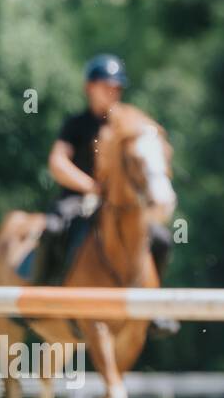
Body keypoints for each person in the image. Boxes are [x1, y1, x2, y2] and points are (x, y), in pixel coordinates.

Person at [32, 54, 173, 292]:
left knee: (161, 239)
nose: (113, 91)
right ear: (89, 87)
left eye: (117, 87)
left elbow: (153, 147)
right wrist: (92, 187)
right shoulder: (76, 124)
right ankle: (40, 294)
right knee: (54, 229)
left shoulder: (130, 122)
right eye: (106, 86)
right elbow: (58, 162)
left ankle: (153, 306)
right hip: (80, 200)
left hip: (121, 204)